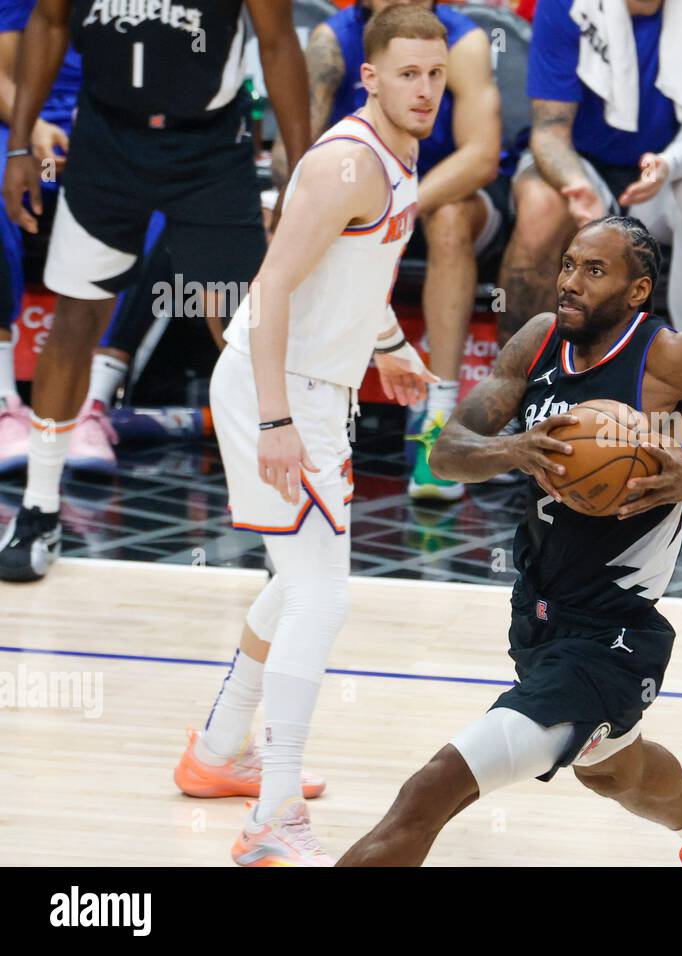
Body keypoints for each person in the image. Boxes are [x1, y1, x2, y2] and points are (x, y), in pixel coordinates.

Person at [336, 215, 682, 867]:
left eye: (593, 271)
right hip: (536, 616)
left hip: (611, 641)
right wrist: (513, 448)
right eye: (567, 264)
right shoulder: (539, 342)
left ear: (637, 291)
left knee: (430, 792)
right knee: (610, 769)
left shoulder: (675, 357)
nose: (569, 282)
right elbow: (450, 451)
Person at [171, 5, 442, 866]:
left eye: (436, 74)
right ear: (370, 77)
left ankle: (217, 752)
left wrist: (392, 347)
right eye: (407, 74)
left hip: (318, 390)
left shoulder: (401, 151)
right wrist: (279, 420)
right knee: (323, 595)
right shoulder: (347, 163)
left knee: (298, 582)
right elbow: (275, 286)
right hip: (275, 387)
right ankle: (274, 816)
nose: (425, 90)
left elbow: (355, 275)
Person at [0, 0, 311, 582]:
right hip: (105, 139)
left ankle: (277, 519)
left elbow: (277, 44)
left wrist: (298, 163)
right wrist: (19, 145)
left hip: (211, 147)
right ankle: (39, 506)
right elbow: (46, 21)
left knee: (246, 334)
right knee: (75, 319)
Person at [288, 0, 507, 502]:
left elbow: (481, 156)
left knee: (449, 221)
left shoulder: (465, 40)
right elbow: (298, 142)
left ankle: (440, 418)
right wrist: (290, 197)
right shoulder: (331, 39)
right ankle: (287, 401)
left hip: (451, 194)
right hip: (366, 192)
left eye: (430, 74)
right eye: (410, 72)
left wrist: (402, 203)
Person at [495, 0, 682, 347]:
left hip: (665, 173)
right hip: (582, 160)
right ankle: (517, 376)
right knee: (541, 205)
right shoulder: (565, 6)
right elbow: (550, 131)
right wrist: (575, 184)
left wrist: (668, 165)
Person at [0, 0, 78, 474]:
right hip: (25, 133)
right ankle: (4, 398)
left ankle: (95, 402)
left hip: (106, 137)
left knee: (154, 204)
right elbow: (3, 73)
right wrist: (30, 132)